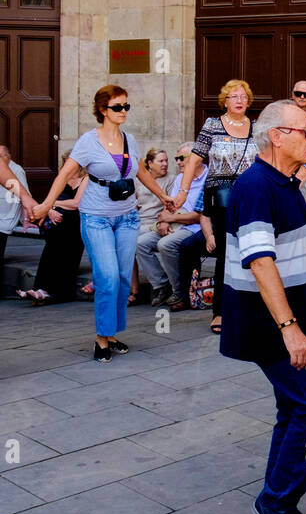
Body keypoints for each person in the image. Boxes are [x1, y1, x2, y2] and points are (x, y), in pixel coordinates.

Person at [222, 99, 306, 514]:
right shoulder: (254, 186)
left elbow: (293, 252)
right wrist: (290, 326)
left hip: (290, 315)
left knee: (293, 407)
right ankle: (277, 502)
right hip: (267, 322)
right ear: (277, 135)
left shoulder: (287, 182)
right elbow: (260, 260)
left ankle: (279, 501)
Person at [33, 85, 175, 361]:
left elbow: (142, 173)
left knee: (122, 278)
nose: (123, 111)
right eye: (117, 107)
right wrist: (46, 204)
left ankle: (111, 334)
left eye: (126, 106)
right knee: (107, 276)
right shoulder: (89, 141)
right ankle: (101, 338)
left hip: (127, 217)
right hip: (96, 217)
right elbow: (64, 176)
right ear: (102, 110)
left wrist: (164, 196)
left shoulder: (130, 140)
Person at [174, 79, 258, 336]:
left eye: (243, 96)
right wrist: (183, 192)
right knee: (226, 252)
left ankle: (248, 308)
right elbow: (195, 159)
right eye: (233, 96)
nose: (239, 100)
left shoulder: (256, 127)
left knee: (252, 251)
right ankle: (220, 310)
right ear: (225, 101)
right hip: (220, 198)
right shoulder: (212, 124)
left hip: (249, 195)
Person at [136, 144, 208, 308]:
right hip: (174, 223)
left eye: (181, 158)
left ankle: (179, 291)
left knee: (165, 244)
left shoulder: (207, 178)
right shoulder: (179, 178)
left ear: (196, 159)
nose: (178, 162)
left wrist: (171, 218)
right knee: (140, 244)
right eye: (176, 158)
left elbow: (199, 216)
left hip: (192, 228)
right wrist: (163, 221)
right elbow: (168, 204)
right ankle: (161, 285)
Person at [19, 157, 87, 305]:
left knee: (63, 253)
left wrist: (52, 204)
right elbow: (48, 200)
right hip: (58, 224)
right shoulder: (61, 179)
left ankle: (55, 292)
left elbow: (76, 204)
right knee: (51, 249)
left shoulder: (86, 179)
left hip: (75, 223)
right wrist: (49, 209)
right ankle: (40, 289)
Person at [129, 147, 169, 305]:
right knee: (120, 239)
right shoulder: (139, 180)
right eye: (161, 161)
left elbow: (170, 204)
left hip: (155, 223)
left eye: (166, 160)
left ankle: (159, 284)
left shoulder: (170, 179)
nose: (165, 164)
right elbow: (132, 201)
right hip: (138, 221)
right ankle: (131, 288)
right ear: (150, 163)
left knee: (130, 242)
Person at [0, 145, 29, 289]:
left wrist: (26, 219)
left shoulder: (16, 170)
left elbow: (25, 197)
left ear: (8, 156)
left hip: (5, 217)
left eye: (1, 156)